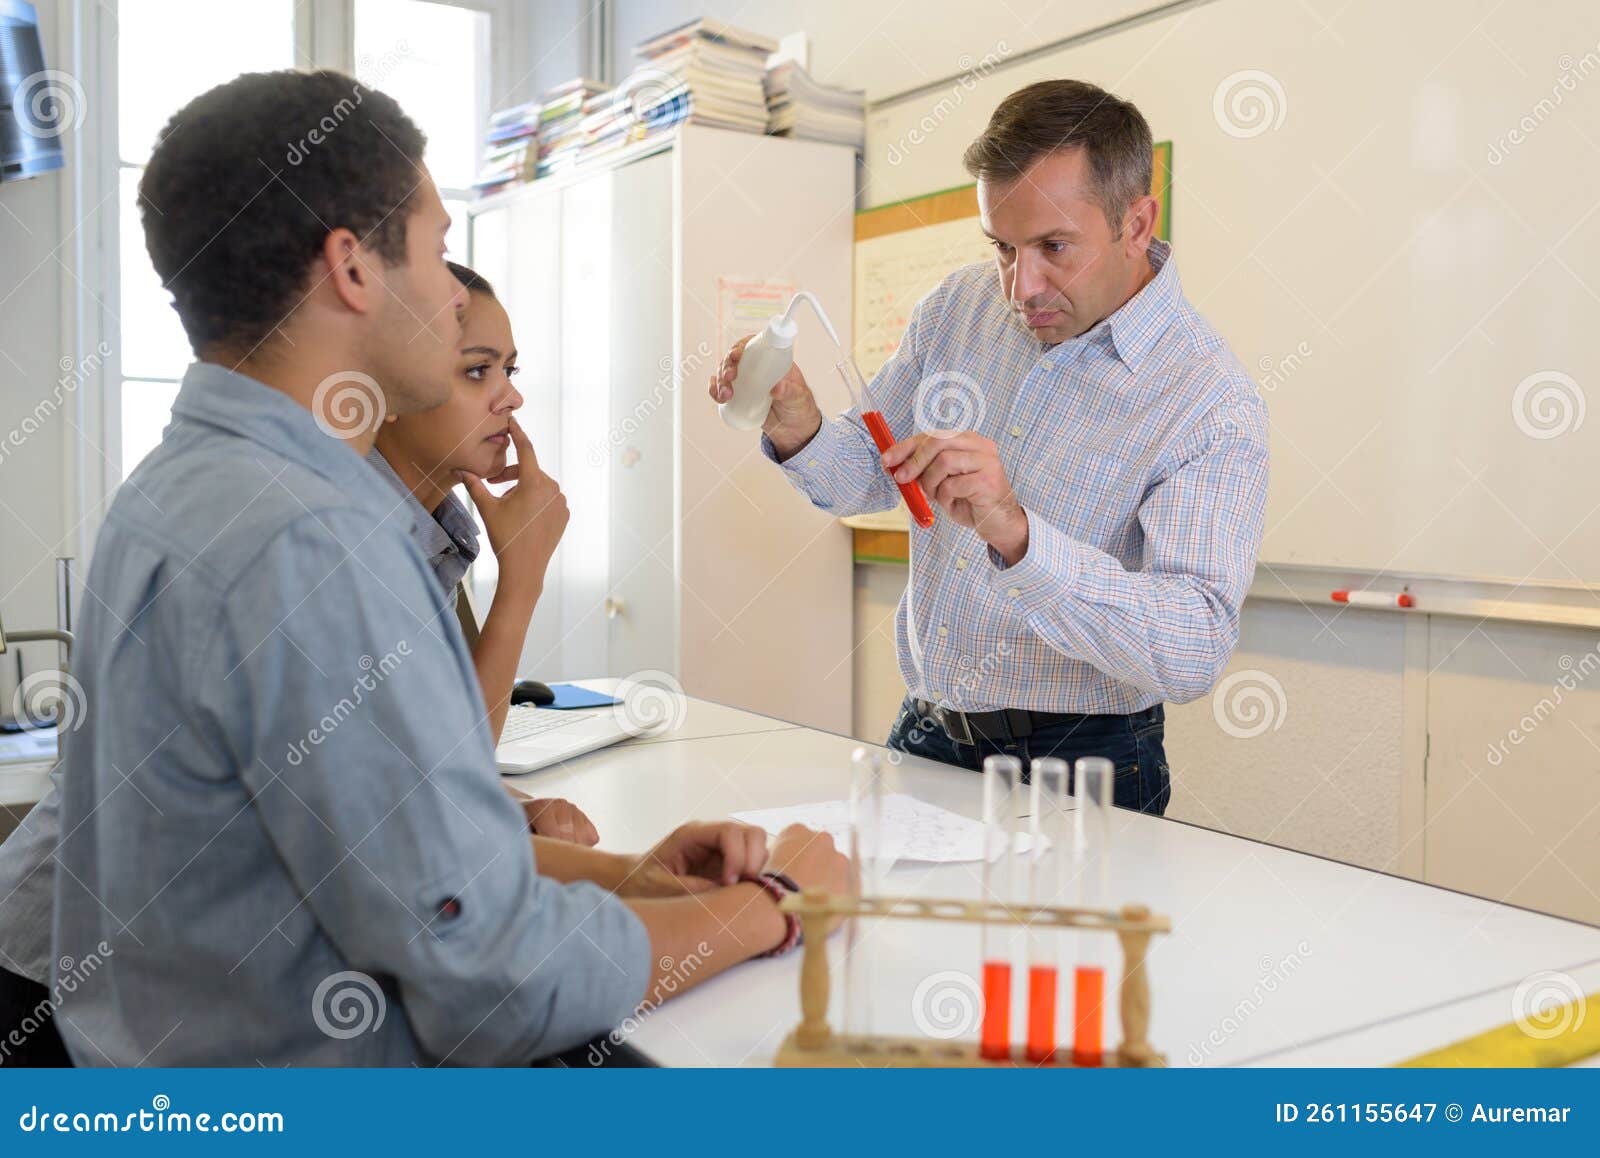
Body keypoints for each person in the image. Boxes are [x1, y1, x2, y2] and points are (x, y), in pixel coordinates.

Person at [10, 69, 847, 1068]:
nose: (454, 298)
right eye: (442, 251)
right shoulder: (314, 540)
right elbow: (497, 983)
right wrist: (775, 906)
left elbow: (392, 866)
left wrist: (629, 878)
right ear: (353, 270)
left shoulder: (172, 488)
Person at [712, 79, 1270, 815]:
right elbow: (868, 477)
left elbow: (1191, 647)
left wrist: (1016, 533)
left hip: (1083, 767)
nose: (1020, 286)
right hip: (929, 733)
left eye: (1053, 247)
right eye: (1002, 246)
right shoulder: (959, 306)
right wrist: (798, 423)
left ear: (1136, 224)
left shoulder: (1209, 401)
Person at [370, 260, 593, 842]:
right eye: (477, 372)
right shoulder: (357, 539)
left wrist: (507, 803)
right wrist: (522, 581)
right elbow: (445, 776)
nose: (512, 397)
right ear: (390, 388)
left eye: (510, 370)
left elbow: (428, 762)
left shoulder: (433, 524)